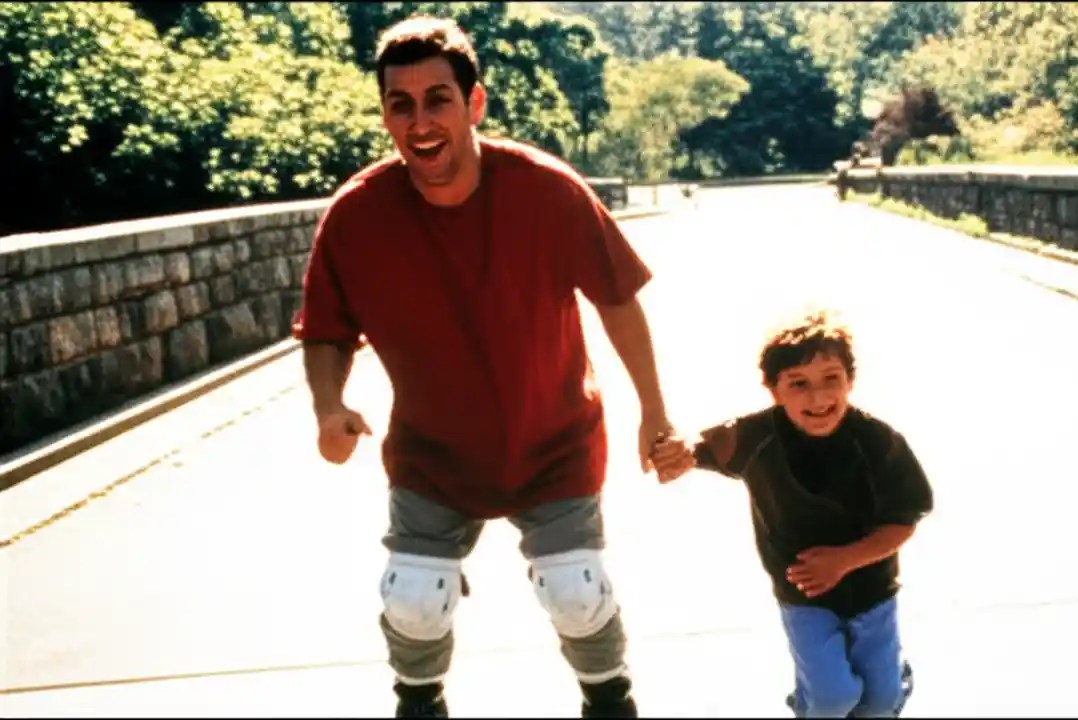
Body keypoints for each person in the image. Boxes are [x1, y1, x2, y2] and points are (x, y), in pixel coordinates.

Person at [291, 15, 674, 719]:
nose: (420, 120)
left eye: (437, 98)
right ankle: (420, 702)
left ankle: (609, 699)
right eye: (400, 104)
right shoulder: (357, 215)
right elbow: (326, 328)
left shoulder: (546, 189)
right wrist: (327, 405)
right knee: (413, 599)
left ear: (474, 104)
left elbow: (617, 299)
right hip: (433, 457)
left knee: (576, 589)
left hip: (552, 441)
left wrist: (654, 408)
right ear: (385, 115)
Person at [650, 309, 933, 718]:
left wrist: (844, 561)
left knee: (881, 700)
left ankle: (893, 679)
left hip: (873, 592)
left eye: (831, 380)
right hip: (804, 596)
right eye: (798, 384)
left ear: (850, 381)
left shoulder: (879, 442)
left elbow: (905, 519)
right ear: (773, 389)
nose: (818, 399)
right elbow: (698, 450)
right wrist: (677, 456)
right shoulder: (755, 438)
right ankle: (810, 704)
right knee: (833, 699)